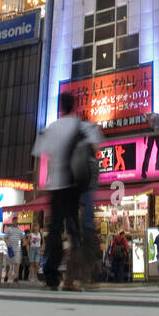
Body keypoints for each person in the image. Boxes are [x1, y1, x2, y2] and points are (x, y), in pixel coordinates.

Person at [32, 91, 102, 291]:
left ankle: (51, 275)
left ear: (60, 106)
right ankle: (73, 276)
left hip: (55, 185)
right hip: (74, 185)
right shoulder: (82, 126)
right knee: (74, 231)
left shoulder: (51, 128)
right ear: (75, 105)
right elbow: (96, 147)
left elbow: (40, 153)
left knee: (54, 229)